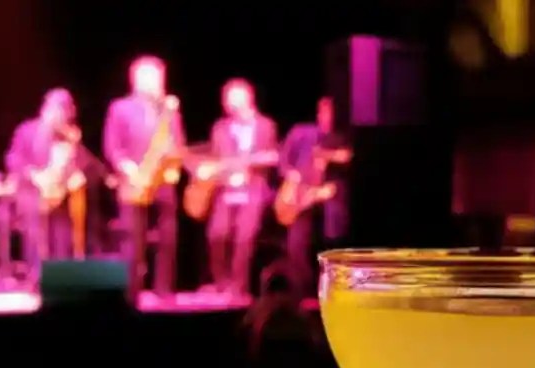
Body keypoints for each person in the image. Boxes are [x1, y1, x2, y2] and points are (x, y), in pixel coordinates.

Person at [103, 55, 186, 297]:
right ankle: (132, 291)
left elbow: (179, 142)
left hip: (162, 179)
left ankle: (165, 289)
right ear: (136, 79)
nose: (159, 82)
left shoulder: (170, 110)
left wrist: (173, 152)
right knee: (133, 238)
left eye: (160, 76)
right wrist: (126, 167)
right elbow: (112, 145)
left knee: (168, 236)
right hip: (134, 179)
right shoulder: (120, 107)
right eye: (152, 76)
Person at [203, 79, 277, 298]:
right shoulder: (220, 128)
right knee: (216, 234)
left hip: (253, 189)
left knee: (244, 236)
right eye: (227, 100)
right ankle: (221, 282)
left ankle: (239, 286)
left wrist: (247, 162)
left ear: (249, 98)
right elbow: (216, 159)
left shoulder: (265, 125)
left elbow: (272, 156)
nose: (231, 105)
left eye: (235, 99)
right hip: (226, 189)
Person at [7, 89, 91, 273]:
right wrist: (35, 175)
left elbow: (83, 165)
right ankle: (37, 277)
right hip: (33, 192)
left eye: (63, 112)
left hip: (60, 197)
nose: (58, 117)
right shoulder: (27, 130)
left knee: (62, 237)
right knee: (36, 236)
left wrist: (73, 173)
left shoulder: (70, 135)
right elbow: (13, 159)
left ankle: (61, 276)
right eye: (54, 110)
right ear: (45, 109)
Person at [279, 97, 350, 293]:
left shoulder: (343, 138)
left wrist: (329, 159)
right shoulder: (302, 134)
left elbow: (347, 160)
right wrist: (292, 179)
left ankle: (329, 290)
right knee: (296, 245)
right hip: (302, 197)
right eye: (325, 112)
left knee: (330, 241)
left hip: (330, 200)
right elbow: (284, 161)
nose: (328, 117)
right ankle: (303, 290)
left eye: (333, 113)